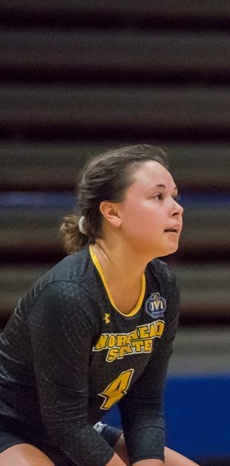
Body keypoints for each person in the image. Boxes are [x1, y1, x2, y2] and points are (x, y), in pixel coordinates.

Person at [0, 145, 198, 466]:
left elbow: (145, 404)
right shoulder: (69, 293)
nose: (177, 209)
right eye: (158, 196)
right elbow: (65, 422)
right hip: (13, 428)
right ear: (112, 212)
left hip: (77, 429)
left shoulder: (162, 285)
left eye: (175, 197)